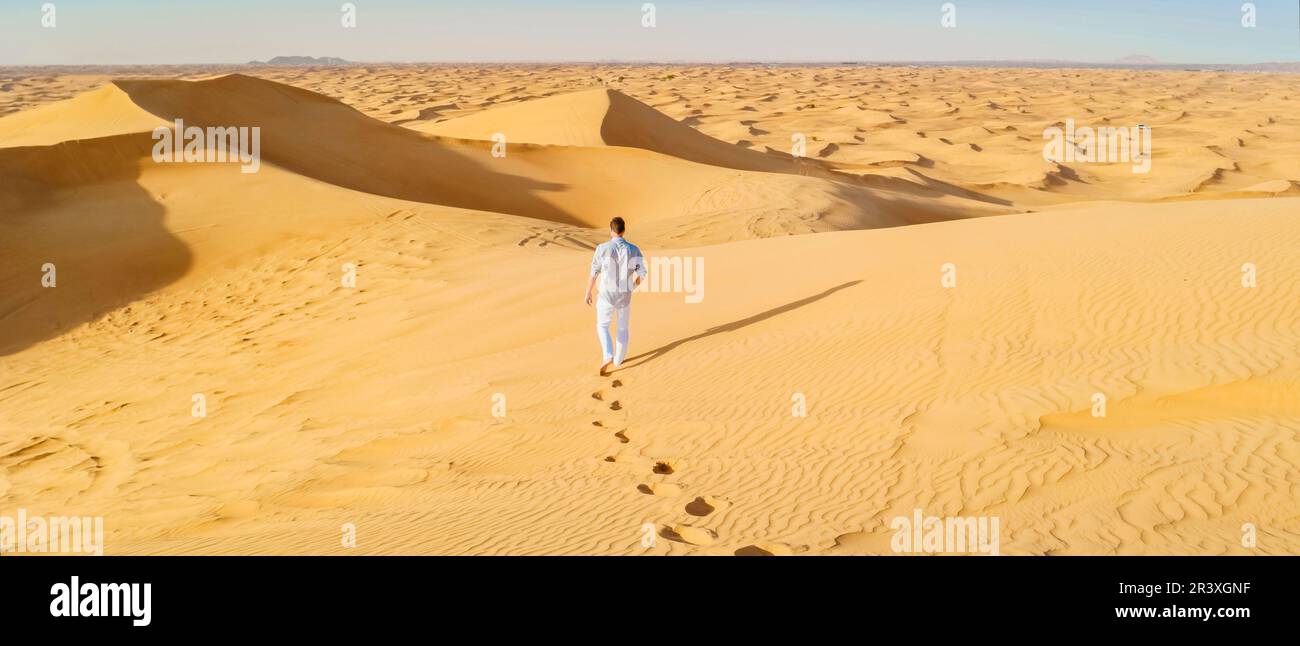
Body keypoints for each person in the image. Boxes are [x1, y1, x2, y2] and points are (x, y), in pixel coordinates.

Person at [584, 217, 647, 376]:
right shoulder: (634, 249)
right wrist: (633, 286)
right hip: (624, 295)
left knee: (602, 325)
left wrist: (588, 291)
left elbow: (594, 272)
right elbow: (643, 273)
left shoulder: (602, 248)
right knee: (622, 328)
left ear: (611, 230)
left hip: (606, 294)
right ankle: (618, 360)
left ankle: (608, 355)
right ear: (623, 231)